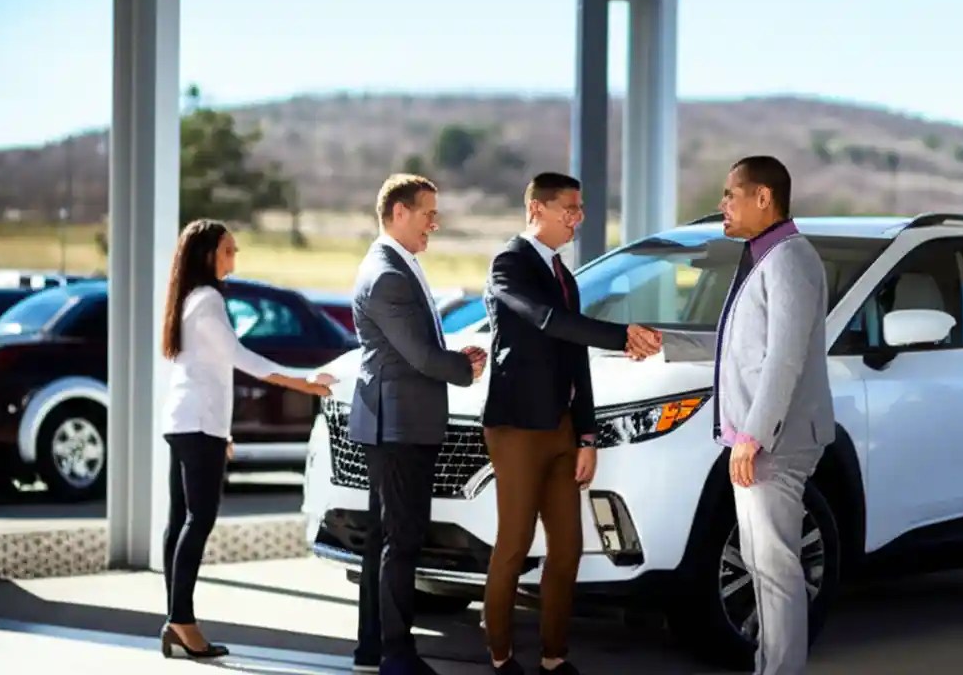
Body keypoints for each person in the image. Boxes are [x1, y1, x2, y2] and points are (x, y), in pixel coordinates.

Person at [480, 172, 661, 675]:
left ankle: (554, 658)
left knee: (568, 549)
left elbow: (575, 356)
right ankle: (499, 658)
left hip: (563, 431)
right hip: (516, 428)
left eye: (581, 210)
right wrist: (621, 334)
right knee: (514, 545)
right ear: (537, 209)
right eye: (570, 210)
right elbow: (546, 320)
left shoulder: (566, 276)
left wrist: (587, 435)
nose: (578, 220)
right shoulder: (509, 263)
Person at [159, 219, 336, 659]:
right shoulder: (207, 301)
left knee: (180, 520)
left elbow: (204, 367)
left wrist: (221, 432)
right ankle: (181, 621)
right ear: (207, 255)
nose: (234, 259)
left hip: (187, 421)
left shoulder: (188, 300)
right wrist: (304, 382)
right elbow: (241, 358)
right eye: (228, 251)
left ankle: (176, 620)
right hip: (197, 424)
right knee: (197, 520)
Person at [349, 174, 487, 675]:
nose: (436, 221)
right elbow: (419, 356)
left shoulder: (393, 265)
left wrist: (451, 358)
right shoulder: (386, 273)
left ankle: (373, 650)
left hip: (392, 421)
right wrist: (464, 367)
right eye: (428, 212)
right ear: (399, 213)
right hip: (399, 426)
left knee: (386, 538)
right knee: (401, 542)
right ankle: (396, 655)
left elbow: (414, 349)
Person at [710, 155, 833, 675]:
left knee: (777, 569)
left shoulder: (787, 259)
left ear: (763, 198)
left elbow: (783, 357)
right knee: (763, 566)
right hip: (759, 442)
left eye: (730, 194)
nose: (722, 205)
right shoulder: (766, 257)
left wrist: (752, 436)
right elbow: (744, 347)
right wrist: (662, 343)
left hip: (773, 446)